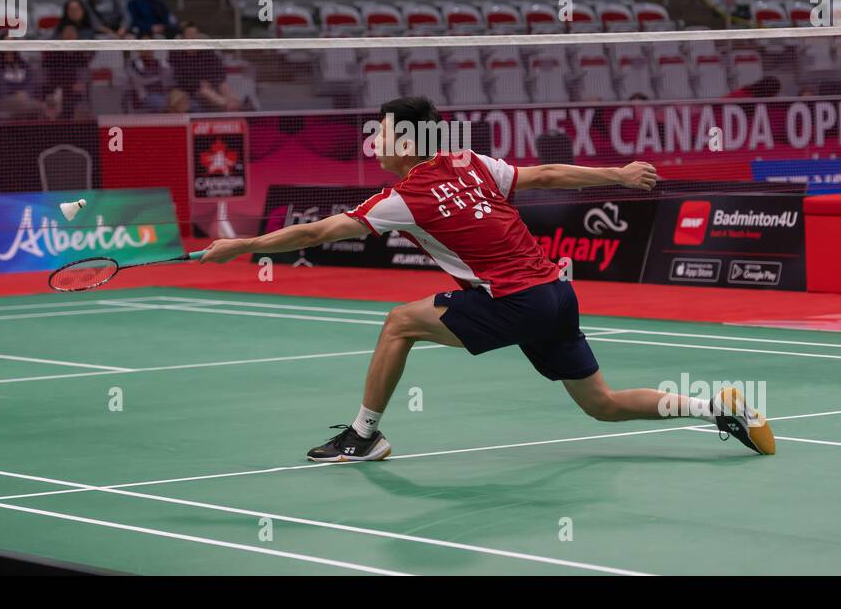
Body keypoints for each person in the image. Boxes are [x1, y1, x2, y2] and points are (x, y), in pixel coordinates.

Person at [199, 96, 774, 462]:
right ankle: (719, 409)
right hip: (557, 293)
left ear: (409, 142)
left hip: (516, 301)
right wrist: (616, 174)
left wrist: (244, 245)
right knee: (601, 404)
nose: (377, 140)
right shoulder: (472, 163)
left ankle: (365, 435)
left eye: (386, 132)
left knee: (399, 323)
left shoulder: (403, 196)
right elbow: (546, 173)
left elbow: (318, 234)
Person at [169, 23, 241, 111]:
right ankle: (225, 104)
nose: (193, 38)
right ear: (183, 38)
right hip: (187, 87)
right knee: (205, 90)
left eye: (194, 35)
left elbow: (219, 72)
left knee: (223, 85)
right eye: (189, 35)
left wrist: (211, 81)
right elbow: (181, 78)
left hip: (208, 84)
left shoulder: (207, 52)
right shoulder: (177, 54)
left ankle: (232, 101)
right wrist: (199, 83)